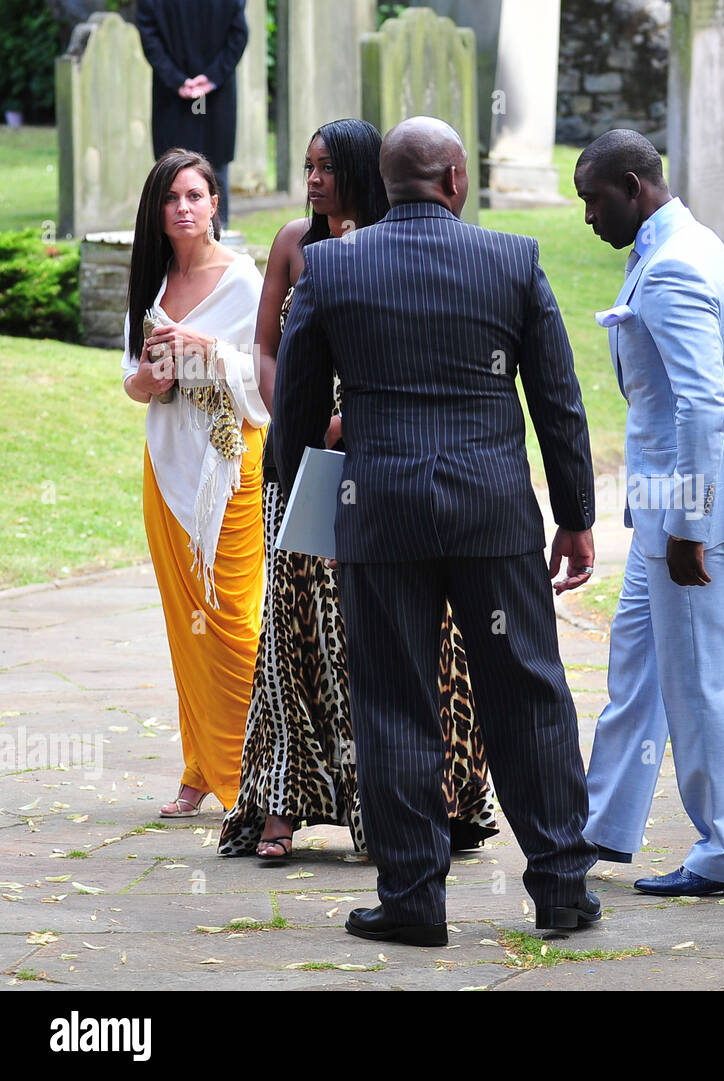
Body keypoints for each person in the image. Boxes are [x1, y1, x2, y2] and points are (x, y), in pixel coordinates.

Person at [274, 116, 598, 946]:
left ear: (384, 185)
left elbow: (298, 413)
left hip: (380, 515)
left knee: (392, 701)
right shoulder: (512, 260)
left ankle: (414, 898)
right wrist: (576, 518)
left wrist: (300, 493)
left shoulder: (335, 266)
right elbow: (557, 401)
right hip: (492, 513)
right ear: (456, 180)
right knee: (527, 691)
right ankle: (561, 887)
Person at [218, 119, 497, 864]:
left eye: (326, 168)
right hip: (302, 459)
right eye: (307, 166)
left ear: (360, 174)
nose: (312, 180)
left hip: (379, 463)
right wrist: (303, 421)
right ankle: (282, 802)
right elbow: (266, 348)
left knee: (375, 641)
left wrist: (354, 419)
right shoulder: (290, 242)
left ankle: (398, 808)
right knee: (289, 636)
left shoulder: (385, 243)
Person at [575, 129, 724, 898]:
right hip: (667, 505)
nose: (589, 216)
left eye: (594, 199)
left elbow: (699, 403)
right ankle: (602, 824)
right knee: (638, 666)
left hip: (687, 509)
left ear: (633, 186)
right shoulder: (686, 243)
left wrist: (690, 525)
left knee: (698, 683)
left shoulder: (673, 266)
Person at [121, 148, 268, 818]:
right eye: (170, 198)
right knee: (188, 625)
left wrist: (209, 353)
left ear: (215, 203)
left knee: (232, 621)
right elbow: (132, 378)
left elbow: (268, 374)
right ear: (157, 210)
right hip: (167, 462)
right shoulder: (148, 280)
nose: (183, 207)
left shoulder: (242, 279)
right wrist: (150, 380)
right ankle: (200, 766)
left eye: (194, 195)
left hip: (230, 464)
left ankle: (258, 775)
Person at [136, 0, 248, 227]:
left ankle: (173, 236)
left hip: (179, 94)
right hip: (205, 94)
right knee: (205, 167)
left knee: (177, 168)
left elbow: (150, 38)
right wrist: (211, 77)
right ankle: (218, 235)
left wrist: (178, 80)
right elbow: (238, 35)